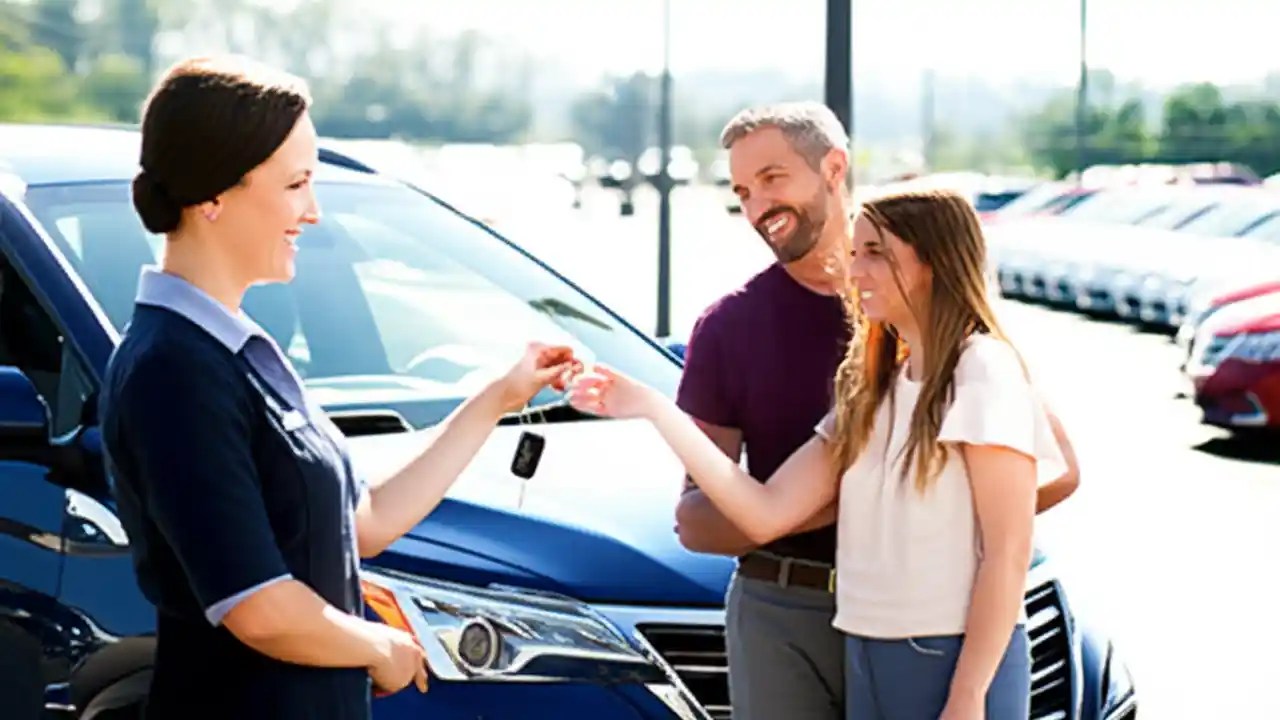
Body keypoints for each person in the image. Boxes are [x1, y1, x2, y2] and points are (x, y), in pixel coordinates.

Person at [99, 55, 578, 720]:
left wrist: (497, 398)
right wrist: (381, 647)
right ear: (212, 195)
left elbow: (365, 523)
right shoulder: (174, 370)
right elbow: (259, 606)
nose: (314, 211)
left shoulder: (237, 348)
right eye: (297, 184)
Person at [569, 188, 1069, 718]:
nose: (856, 273)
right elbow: (764, 511)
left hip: (950, 658)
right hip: (865, 649)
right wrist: (653, 408)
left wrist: (968, 694)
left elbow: (1009, 552)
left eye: (875, 252)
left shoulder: (983, 370)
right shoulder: (872, 389)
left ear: (933, 261)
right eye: (854, 254)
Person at [669, 101, 1080, 719]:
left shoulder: (950, 337)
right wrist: (859, 501)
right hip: (788, 613)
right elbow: (695, 521)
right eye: (743, 190)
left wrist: (905, 508)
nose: (757, 208)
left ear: (834, 167)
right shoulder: (738, 329)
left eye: (773, 179)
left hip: (930, 617)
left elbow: (1054, 475)